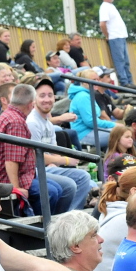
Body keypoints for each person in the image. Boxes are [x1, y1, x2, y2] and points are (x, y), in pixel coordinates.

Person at [0, 84, 67, 215]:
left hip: (13, 174)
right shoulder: (16, 121)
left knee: (58, 188)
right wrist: (16, 189)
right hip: (4, 178)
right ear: (30, 104)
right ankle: (41, 228)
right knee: (51, 192)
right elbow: (11, 160)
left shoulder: (7, 115)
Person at [26, 77, 91, 212]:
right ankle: (68, 217)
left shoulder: (47, 123)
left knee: (88, 181)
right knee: (78, 180)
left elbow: (53, 151)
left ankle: (71, 215)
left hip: (47, 167)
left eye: (50, 95)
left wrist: (56, 162)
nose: (47, 99)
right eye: (42, 95)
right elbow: (36, 157)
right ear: (34, 99)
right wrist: (66, 160)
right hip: (33, 169)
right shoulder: (32, 122)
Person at [68, 68, 115, 149]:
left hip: (92, 131)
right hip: (84, 134)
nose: (96, 82)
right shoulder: (83, 96)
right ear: (84, 82)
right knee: (120, 135)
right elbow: (90, 122)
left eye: (97, 79)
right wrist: (114, 125)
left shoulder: (89, 94)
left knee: (121, 133)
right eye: (93, 80)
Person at [99, 0, 132, 87]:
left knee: (126, 61)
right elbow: (102, 24)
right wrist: (107, 35)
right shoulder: (104, 7)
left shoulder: (111, 6)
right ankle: (124, 82)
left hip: (121, 36)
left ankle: (129, 81)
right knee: (120, 60)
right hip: (114, 37)